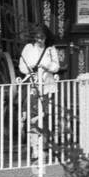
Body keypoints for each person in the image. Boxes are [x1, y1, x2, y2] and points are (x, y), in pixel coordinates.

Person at [18, 27, 62, 162]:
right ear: (34, 38)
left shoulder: (51, 49)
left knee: (45, 116)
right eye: (38, 38)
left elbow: (56, 66)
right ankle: (34, 148)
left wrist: (46, 65)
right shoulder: (28, 48)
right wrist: (31, 67)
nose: (40, 40)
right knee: (32, 116)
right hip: (33, 85)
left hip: (47, 86)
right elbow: (22, 66)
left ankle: (45, 146)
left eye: (42, 38)